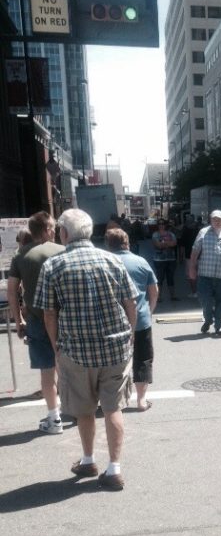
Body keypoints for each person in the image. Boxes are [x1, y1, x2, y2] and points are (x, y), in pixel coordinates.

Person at [34, 209, 138, 491]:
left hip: (76, 351)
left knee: (84, 409)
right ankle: (114, 469)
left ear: (64, 234)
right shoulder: (112, 260)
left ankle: (88, 460)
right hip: (115, 348)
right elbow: (131, 303)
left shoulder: (53, 266)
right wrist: (128, 336)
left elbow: (49, 314)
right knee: (113, 407)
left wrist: (57, 347)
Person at [7, 211, 65, 434]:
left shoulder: (21, 255)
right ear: (49, 229)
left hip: (36, 320)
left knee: (46, 372)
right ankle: (79, 411)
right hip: (64, 319)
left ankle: (54, 419)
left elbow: (13, 292)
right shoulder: (62, 251)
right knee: (68, 368)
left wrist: (18, 320)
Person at [105, 227, 158, 412]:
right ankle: (141, 400)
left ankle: (112, 399)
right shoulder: (141, 262)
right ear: (127, 242)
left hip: (112, 322)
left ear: (108, 244)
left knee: (112, 362)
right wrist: (148, 311)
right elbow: (154, 291)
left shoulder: (105, 262)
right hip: (141, 319)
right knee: (142, 358)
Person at [188, 209, 221, 337]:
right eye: (214, 219)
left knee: (220, 302)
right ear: (210, 220)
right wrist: (192, 268)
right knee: (205, 300)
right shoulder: (203, 232)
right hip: (205, 274)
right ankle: (208, 319)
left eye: (219, 219)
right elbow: (195, 251)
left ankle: (219, 326)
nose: (217, 222)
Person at [151, 219, 178, 301]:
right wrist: (168, 243)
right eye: (159, 224)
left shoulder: (171, 234)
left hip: (171, 259)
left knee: (171, 278)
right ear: (158, 225)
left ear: (165, 225)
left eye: (163, 224)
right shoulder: (155, 234)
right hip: (159, 260)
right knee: (160, 278)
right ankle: (158, 297)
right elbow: (158, 245)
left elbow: (174, 243)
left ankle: (173, 296)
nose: (161, 225)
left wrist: (163, 244)